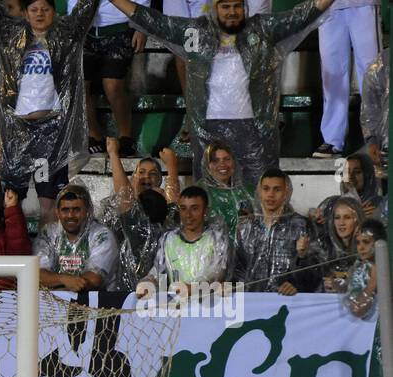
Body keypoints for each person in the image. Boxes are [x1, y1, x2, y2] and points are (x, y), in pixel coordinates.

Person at [107, 0, 337, 189]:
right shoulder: (196, 32)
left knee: (258, 195)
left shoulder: (263, 28)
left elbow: (303, 15)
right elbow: (153, 21)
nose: (232, 12)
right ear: (215, 9)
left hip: (255, 131)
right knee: (212, 197)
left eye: (237, 6)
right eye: (225, 7)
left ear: (245, 8)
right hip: (208, 130)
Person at [0, 0, 104, 226]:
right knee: (11, 201)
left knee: (49, 205)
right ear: (24, 13)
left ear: (55, 12)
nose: (40, 14)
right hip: (18, 134)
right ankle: (16, 255)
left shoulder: (66, 37)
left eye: (45, 9)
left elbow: (87, 8)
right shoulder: (11, 36)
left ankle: (45, 255)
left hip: (53, 133)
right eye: (34, 9)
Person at [71, 0, 148, 156]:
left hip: (119, 28)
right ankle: (94, 136)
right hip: (85, 30)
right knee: (80, 83)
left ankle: (126, 137)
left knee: (112, 84)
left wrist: (141, 28)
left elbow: (142, 2)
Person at [99, 140, 177, 291]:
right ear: (133, 177)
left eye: (152, 174)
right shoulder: (116, 207)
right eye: (141, 172)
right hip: (125, 289)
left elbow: (173, 206)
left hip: (160, 287)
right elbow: (125, 197)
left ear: (160, 180)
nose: (145, 177)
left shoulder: (165, 210)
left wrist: (172, 168)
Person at [234, 168, 321, 294]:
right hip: (251, 304)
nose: (270, 194)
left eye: (277, 189)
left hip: (287, 303)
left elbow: (315, 273)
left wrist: (296, 283)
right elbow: (237, 269)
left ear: (287, 192)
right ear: (259, 191)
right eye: (266, 189)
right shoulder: (245, 228)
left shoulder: (302, 225)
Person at [312, 0, 379, 158]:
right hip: (328, 6)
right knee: (331, 74)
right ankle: (332, 140)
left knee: (371, 72)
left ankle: (377, 136)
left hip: (363, 4)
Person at [144, 186, 232, 293]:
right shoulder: (168, 239)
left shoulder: (217, 239)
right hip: (177, 306)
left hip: (208, 305)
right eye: (183, 208)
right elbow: (157, 273)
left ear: (206, 211)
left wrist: (193, 289)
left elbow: (217, 276)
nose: (188, 215)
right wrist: (148, 283)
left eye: (194, 208)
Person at [36, 183, 119, 292]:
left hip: (97, 305)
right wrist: (64, 279)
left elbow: (94, 279)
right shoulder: (48, 233)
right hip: (53, 305)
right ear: (57, 212)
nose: (70, 215)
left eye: (76, 209)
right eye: (65, 210)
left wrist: (56, 285)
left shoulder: (102, 236)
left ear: (87, 211)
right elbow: (36, 275)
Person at [196, 140, 256, 237]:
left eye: (227, 159)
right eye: (215, 160)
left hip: (245, 248)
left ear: (234, 162)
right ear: (207, 165)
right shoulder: (199, 191)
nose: (222, 164)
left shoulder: (248, 190)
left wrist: (253, 220)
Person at [316, 195, 364, 292]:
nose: (341, 223)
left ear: (357, 220)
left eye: (347, 217)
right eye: (337, 217)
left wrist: (343, 287)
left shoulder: (365, 249)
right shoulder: (325, 250)